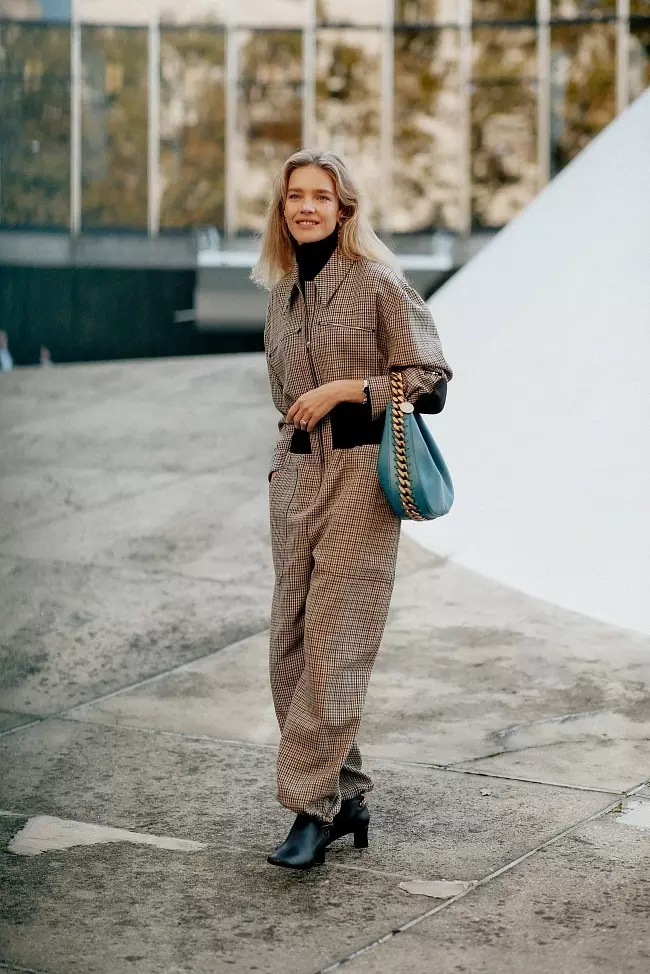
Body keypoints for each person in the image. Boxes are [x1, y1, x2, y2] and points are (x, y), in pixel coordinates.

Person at [252, 149, 452, 870]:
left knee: (335, 650)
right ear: (283, 211)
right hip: (297, 478)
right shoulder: (280, 294)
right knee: (288, 652)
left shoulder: (377, 284)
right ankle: (349, 793)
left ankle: (311, 809)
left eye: (320, 196)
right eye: (294, 196)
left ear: (345, 209)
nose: (306, 207)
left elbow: (430, 382)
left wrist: (345, 391)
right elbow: (283, 398)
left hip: (363, 485)